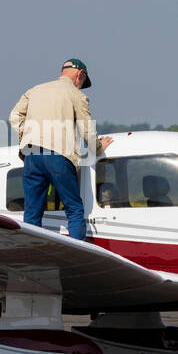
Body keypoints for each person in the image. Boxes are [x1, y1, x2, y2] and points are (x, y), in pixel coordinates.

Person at [9, 58, 113, 241]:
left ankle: (31, 258)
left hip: (31, 155)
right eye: (82, 83)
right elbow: (87, 130)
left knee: (32, 213)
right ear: (80, 75)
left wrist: (29, 136)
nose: (81, 87)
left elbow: (14, 117)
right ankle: (77, 257)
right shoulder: (76, 95)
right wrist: (98, 148)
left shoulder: (35, 90)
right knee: (74, 208)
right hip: (58, 156)